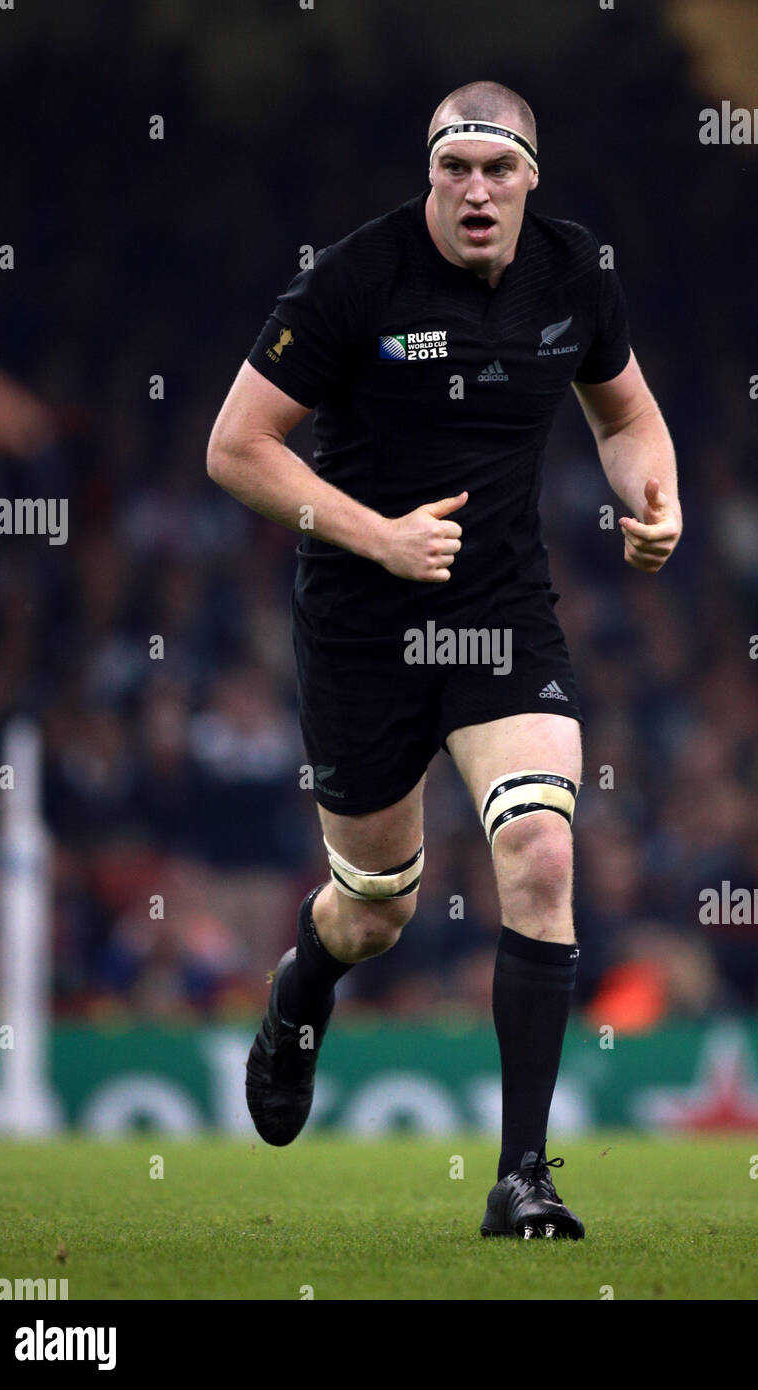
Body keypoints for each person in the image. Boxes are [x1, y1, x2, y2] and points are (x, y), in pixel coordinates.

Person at [207, 80, 681, 1239]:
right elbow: (234, 446)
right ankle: (301, 987)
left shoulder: (575, 276)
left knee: (539, 847)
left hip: (503, 617)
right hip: (364, 630)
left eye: (498, 170)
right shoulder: (352, 279)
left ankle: (523, 1176)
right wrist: (377, 533)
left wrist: (656, 502)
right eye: (453, 168)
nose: (475, 190)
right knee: (376, 910)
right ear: (429, 172)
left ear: (532, 179)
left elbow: (624, 417)